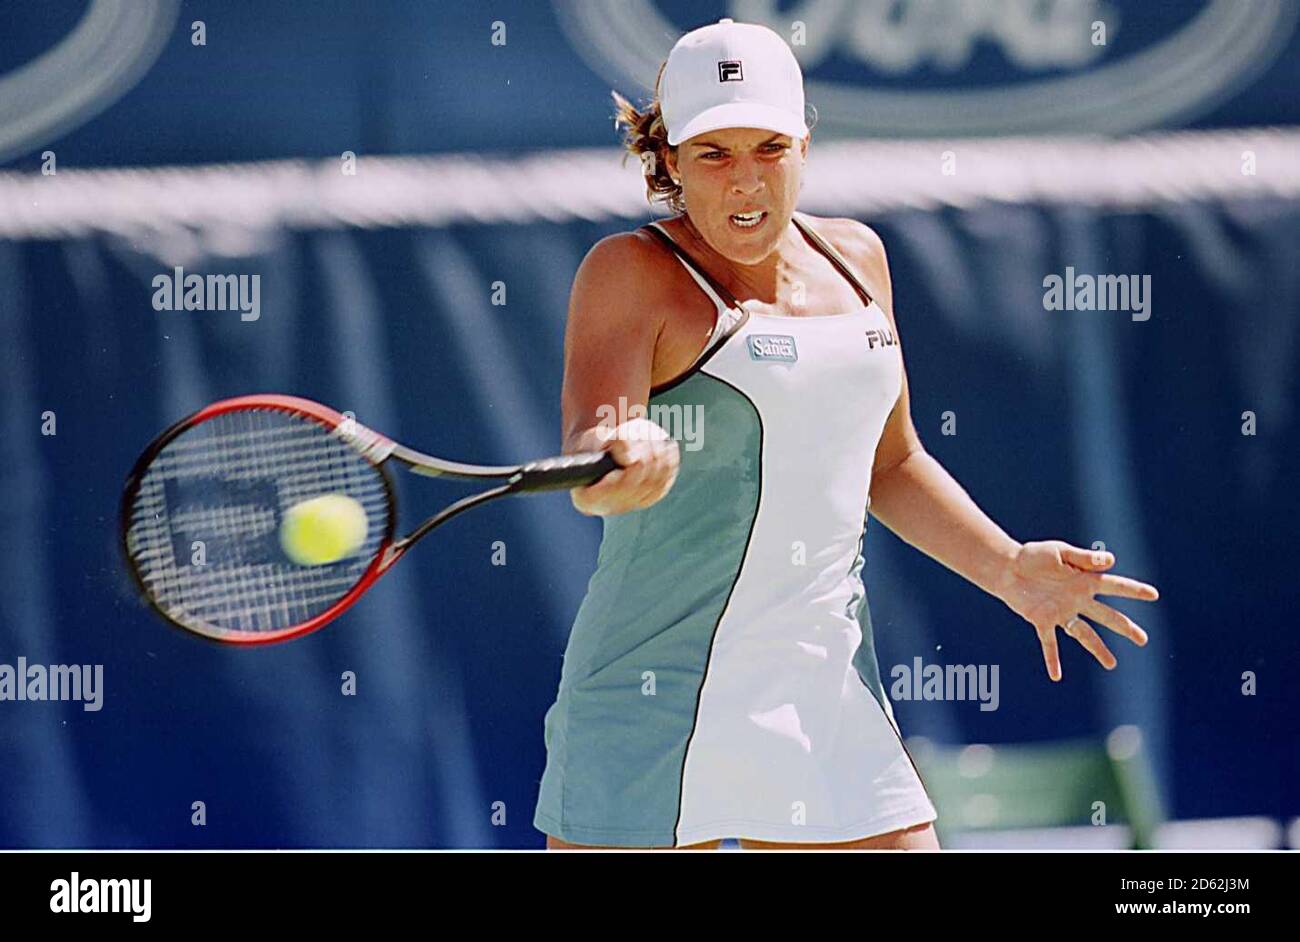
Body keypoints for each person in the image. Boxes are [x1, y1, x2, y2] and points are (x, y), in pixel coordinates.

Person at [535, 18, 1158, 851]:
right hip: (650, 701)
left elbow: (892, 462)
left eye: (768, 147)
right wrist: (623, 456)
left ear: (803, 144)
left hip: (823, 691)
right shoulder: (630, 271)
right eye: (714, 155)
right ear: (672, 161)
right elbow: (597, 439)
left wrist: (1007, 567)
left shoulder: (857, 259)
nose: (746, 181)